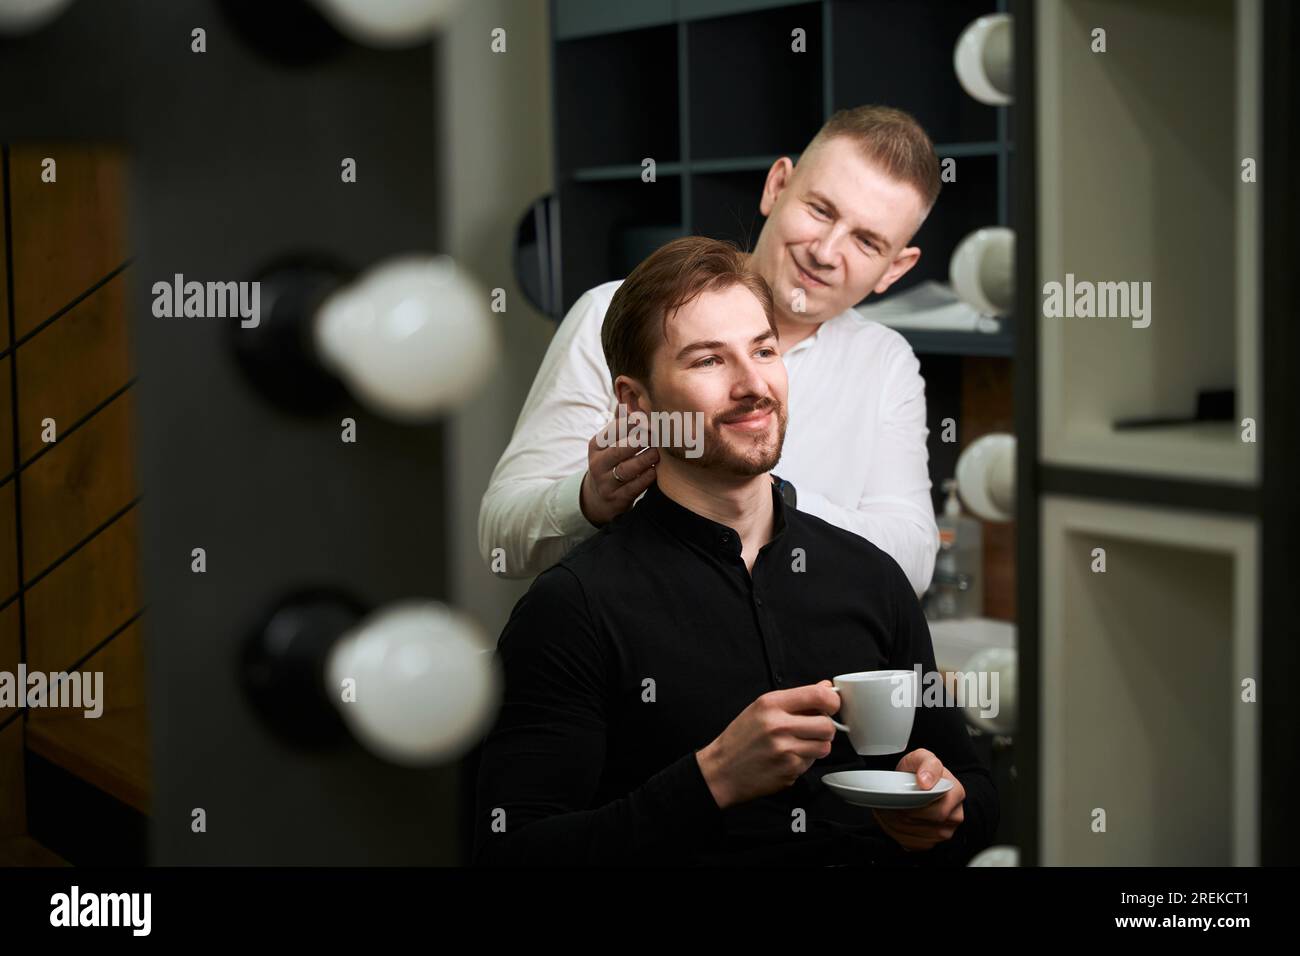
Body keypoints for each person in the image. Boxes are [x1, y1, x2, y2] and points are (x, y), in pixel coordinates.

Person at [473, 238, 997, 866]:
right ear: (636, 402)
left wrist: (944, 805)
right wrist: (713, 778)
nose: (753, 386)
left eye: (764, 350)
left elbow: (976, 792)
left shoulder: (871, 578)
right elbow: (514, 855)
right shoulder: (572, 610)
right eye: (708, 361)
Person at [479, 104, 943, 598]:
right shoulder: (608, 314)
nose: (825, 252)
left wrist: (773, 500)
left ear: (895, 268)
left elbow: (911, 563)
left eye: (867, 241)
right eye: (820, 210)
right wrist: (589, 500)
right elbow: (500, 542)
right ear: (777, 186)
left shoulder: (886, 362)